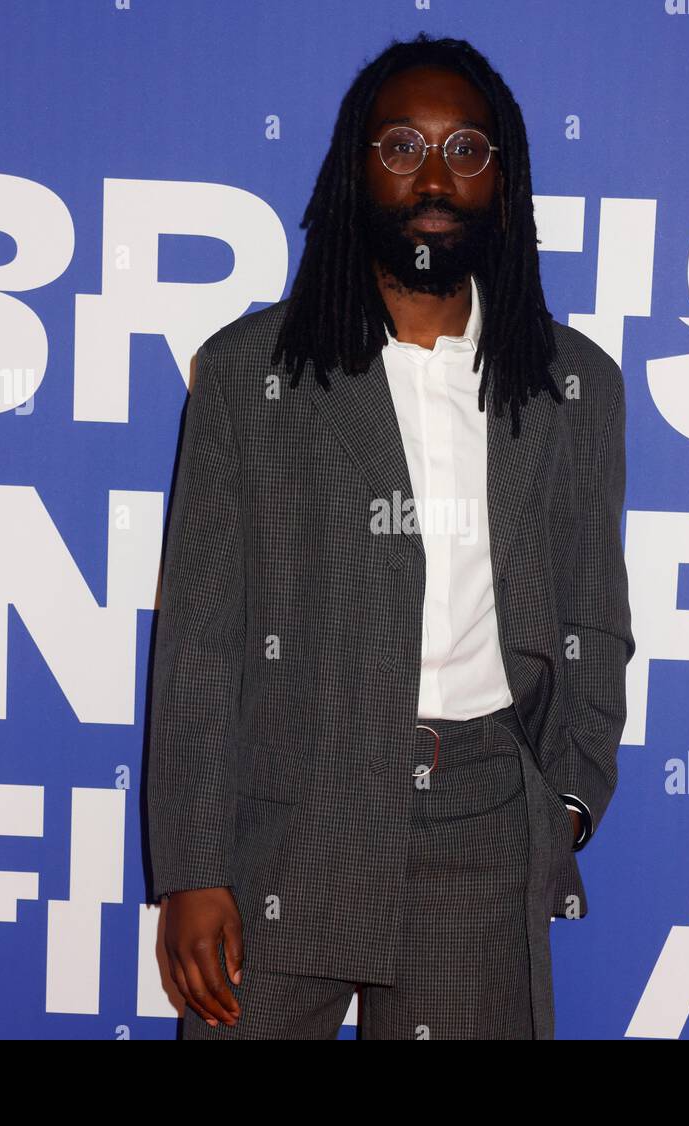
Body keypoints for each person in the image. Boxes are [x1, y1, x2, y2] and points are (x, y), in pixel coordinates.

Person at [146, 32, 634, 1039]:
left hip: (482, 820)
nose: (433, 175)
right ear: (354, 167)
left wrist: (568, 801)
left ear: (505, 182)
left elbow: (596, 612)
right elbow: (199, 644)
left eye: (466, 150)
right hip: (286, 821)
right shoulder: (251, 374)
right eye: (401, 144)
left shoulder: (570, 384)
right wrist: (193, 868)